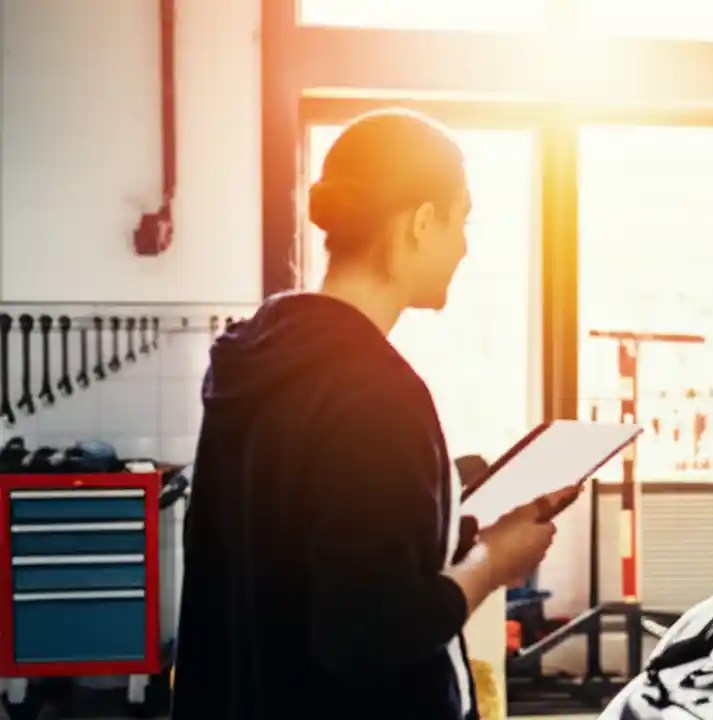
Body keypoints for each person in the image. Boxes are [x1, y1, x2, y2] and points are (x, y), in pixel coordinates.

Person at [171, 109, 576, 719]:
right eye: (461, 220)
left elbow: (311, 552)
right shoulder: (377, 394)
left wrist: (461, 528)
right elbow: (368, 636)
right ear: (419, 223)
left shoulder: (257, 357)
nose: (464, 245)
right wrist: (493, 563)